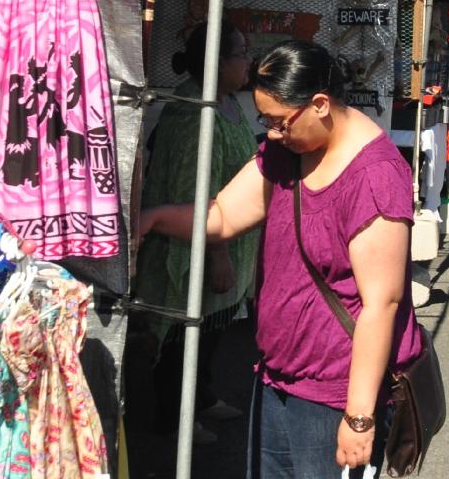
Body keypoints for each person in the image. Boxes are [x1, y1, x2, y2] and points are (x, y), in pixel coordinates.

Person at [139, 41, 423, 479]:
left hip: (336, 393)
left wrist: (359, 416)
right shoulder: (287, 151)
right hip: (278, 377)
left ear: (320, 104)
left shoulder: (375, 177)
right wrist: (154, 218)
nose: (271, 134)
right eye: (265, 121)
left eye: (279, 121)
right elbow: (224, 214)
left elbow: (381, 304)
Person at [134, 24, 259, 439]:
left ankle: (201, 397)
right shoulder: (193, 110)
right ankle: (174, 419)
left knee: (211, 329)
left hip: (227, 238)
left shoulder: (227, 101)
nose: (248, 61)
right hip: (193, 243)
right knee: (183, 334)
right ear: (218, 62)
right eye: (241, 53)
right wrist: (217, 254)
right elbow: (194, 188)